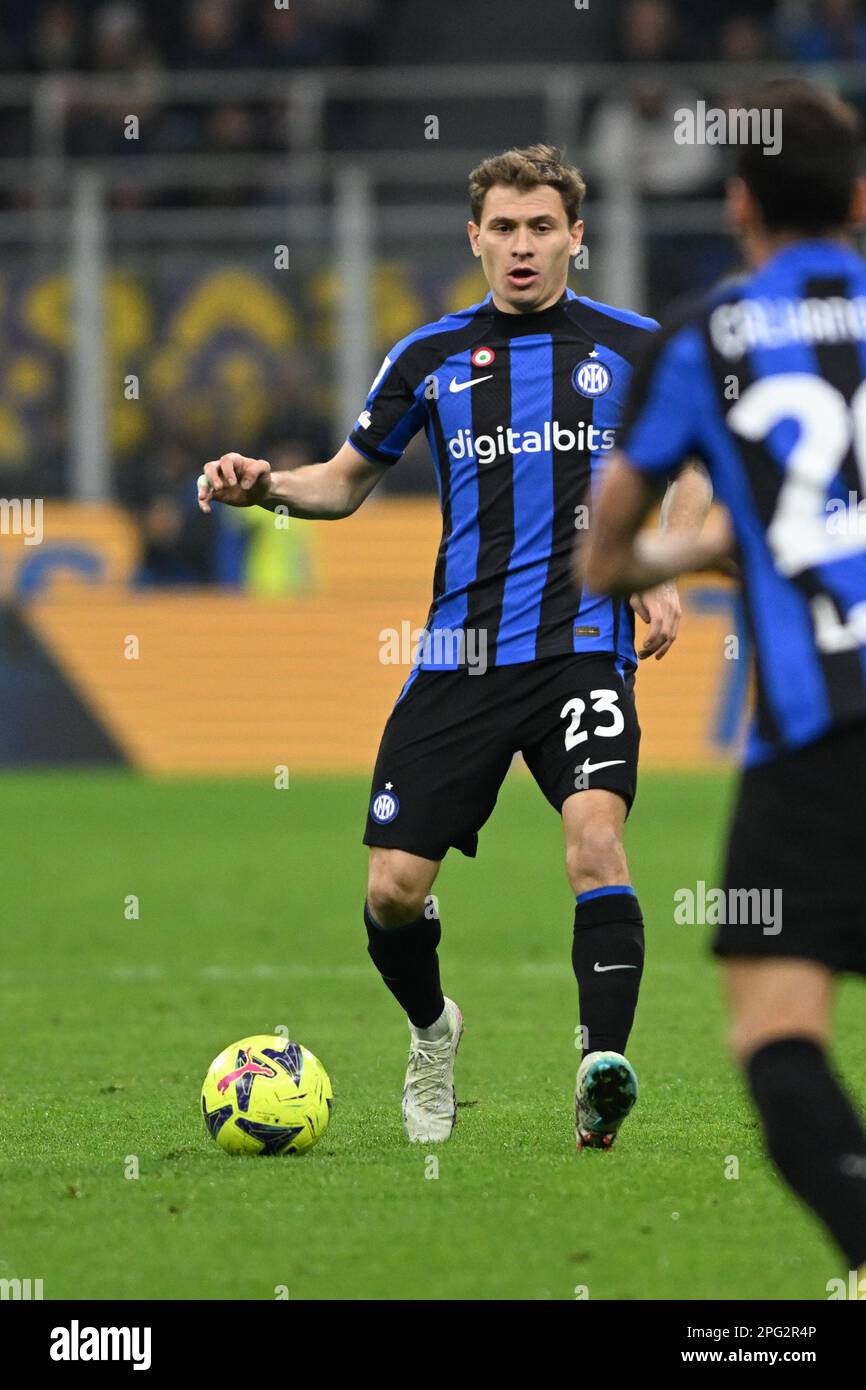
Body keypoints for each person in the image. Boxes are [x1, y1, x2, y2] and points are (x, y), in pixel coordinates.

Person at [197, 145, 711, 1150]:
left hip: (581, 646)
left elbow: (691, 461)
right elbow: (344, 482)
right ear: (474, 238)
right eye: (504, 229)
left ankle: (596, 1073)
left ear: (576, 236)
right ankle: (433, 1030)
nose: (522, 247)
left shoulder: (638, 349)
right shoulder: (427, 358)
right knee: (393, 891)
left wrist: (659, 566)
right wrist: (263, 484)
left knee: (595, 836)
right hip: (460, 658)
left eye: (541, 228)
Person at [582, 81, 866, 1282]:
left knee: (773, 1031)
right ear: (857, 200)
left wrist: (706, 547)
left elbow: (605, 553)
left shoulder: (704, 335)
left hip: (820, 734)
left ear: (737, 204)